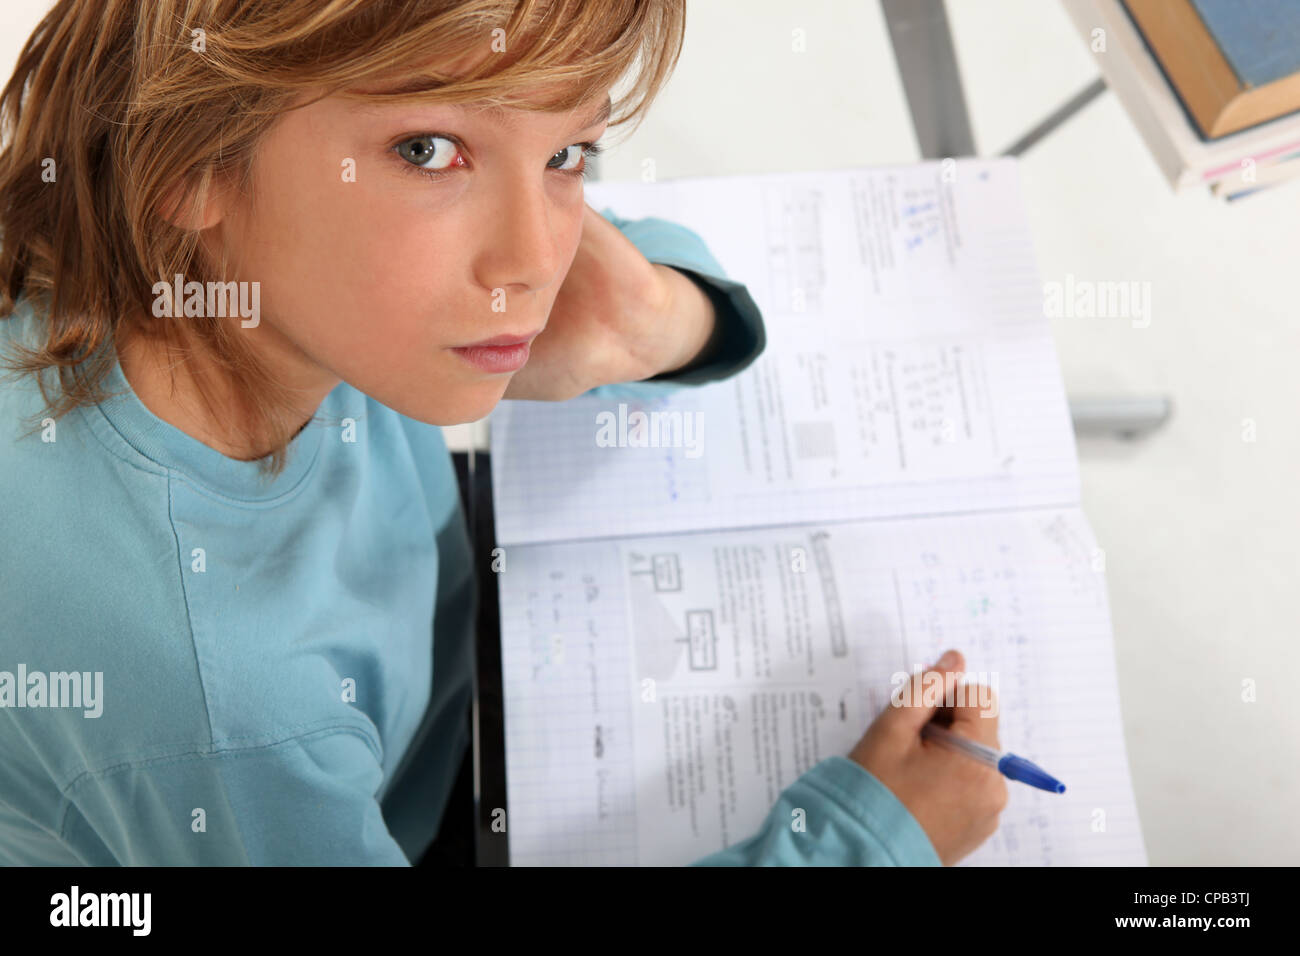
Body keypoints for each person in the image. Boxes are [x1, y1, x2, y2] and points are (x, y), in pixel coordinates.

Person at [0, 0, 1004, 866]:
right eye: (428, 151)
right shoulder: (233, 718)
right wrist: (868, 840)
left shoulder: (208, 265)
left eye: (569, 153)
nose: (531, 259)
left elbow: (609, 287)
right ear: (189, 156)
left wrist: (656, 318)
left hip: (425, 655)